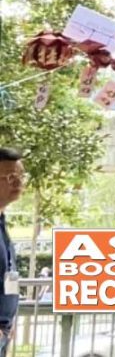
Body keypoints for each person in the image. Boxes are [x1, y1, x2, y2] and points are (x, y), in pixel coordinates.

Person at [0, 150, 26, 357]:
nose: (18, 183)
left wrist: (10, 321)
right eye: (10, 177)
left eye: (21, 176)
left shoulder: (2, 223)